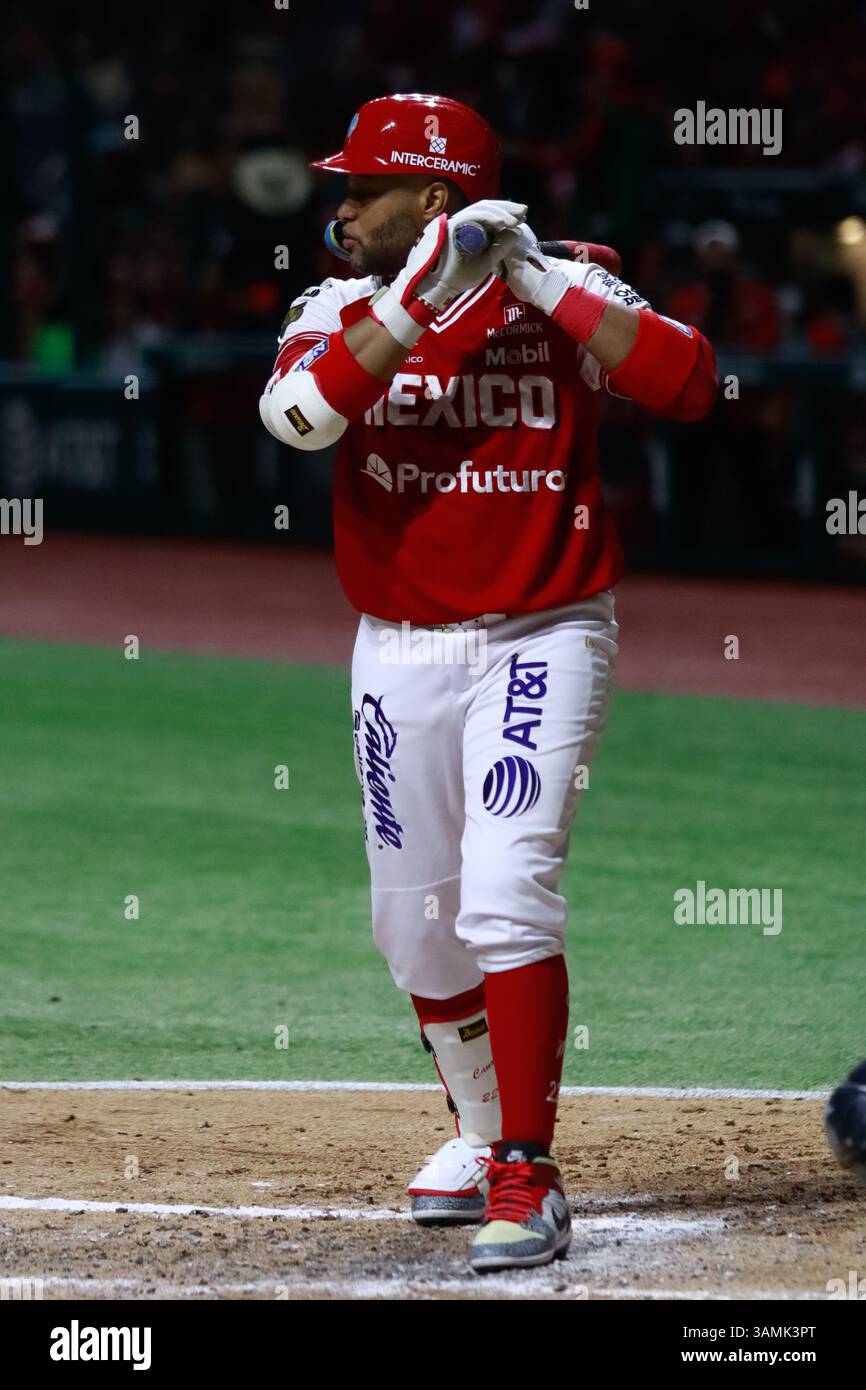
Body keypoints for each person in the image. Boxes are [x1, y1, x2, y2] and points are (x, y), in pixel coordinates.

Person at [259, 93, 717, 1273]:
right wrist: (421, 292)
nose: (342, 206)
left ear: (434, 198)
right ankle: (474, 1134)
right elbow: (300, 417)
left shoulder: (567, 290)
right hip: (397, 644)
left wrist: (531, 276)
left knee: (505, 893)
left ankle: (526, 1168)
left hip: (544, 629)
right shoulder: (338, 307)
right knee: (411, 930)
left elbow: (690, 385)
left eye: (362, 187)